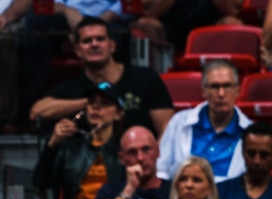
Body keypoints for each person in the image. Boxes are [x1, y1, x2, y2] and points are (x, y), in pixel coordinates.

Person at [29, 16, 174, 137]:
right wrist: (92, 102)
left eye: (100, 39)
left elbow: (167, 132)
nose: (94, 44)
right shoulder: (71, 88)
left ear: (112, 46)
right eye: (87, 41)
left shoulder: (145, 78)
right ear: (77, 50)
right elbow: (37, 112)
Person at [32, 82, 125, 199]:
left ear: (118, 114)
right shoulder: (71, 148)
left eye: (104, 103)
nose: (96, 107)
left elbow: (130, 191)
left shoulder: (125, 151)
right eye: (91, 102)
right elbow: (40, 182)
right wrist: (53, 143)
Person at [156, 60, 252, 182]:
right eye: (214, 87)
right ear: (203, 91)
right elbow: (161, 169)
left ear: (237, 91)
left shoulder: (250, 131)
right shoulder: (179, 122)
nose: (221, 94)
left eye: (227, 86)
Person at [141, 0, 245, 52]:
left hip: (211, 25)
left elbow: (233, 8)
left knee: (232, 23)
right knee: (147, 25)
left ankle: (222, 75)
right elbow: (151, 9)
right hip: (171, 25)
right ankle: (155, 77)